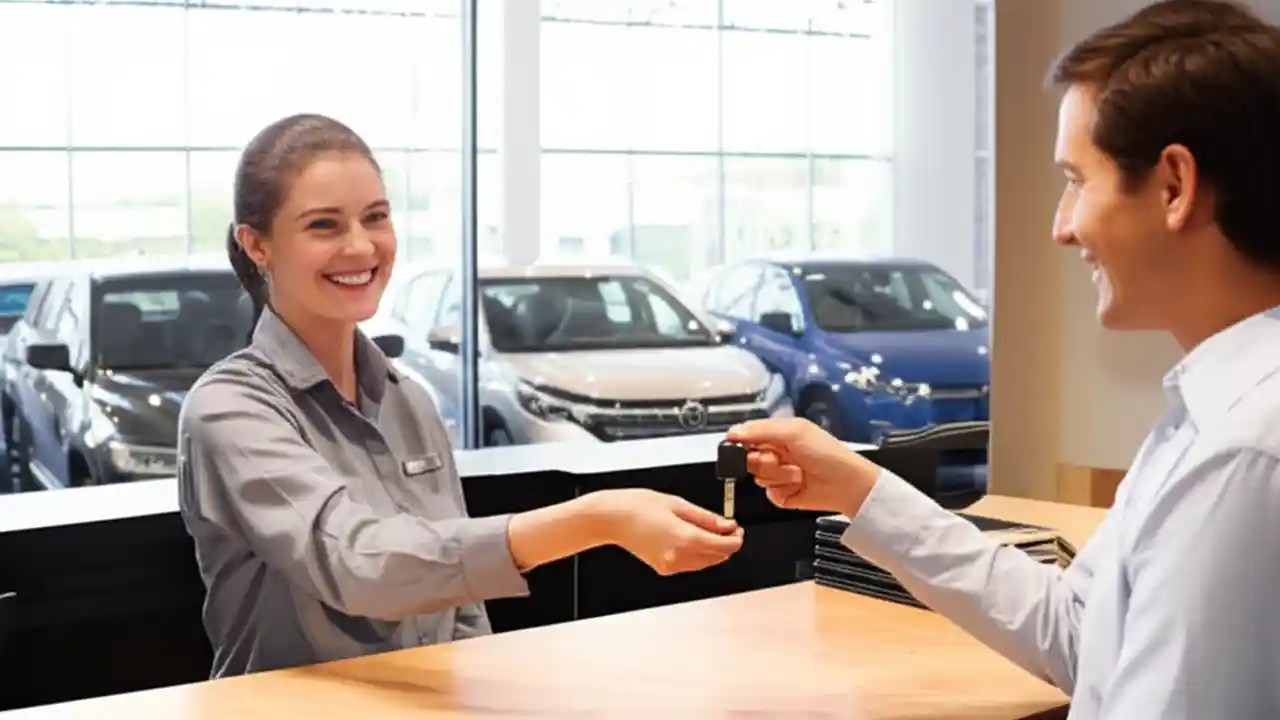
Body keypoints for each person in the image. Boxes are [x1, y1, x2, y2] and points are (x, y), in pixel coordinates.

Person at [728, 2, 1280, 718]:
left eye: (1078, 180)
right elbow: (1082, 638)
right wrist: (861, 490)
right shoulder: (1214, 415)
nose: (1061, 226)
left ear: (1174, 186)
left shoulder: (1240, 453)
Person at [176, 113, 743, 678]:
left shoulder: (408, 400)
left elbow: (459, 605)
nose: (361, 245)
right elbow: (359, 563)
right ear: (257, 245)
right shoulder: (230, 409)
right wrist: (598, 518)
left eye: (376, 217)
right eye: (324, 225)